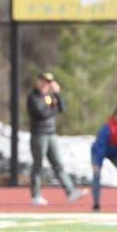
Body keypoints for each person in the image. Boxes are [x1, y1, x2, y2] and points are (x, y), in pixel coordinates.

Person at [26, 71, 85, 206]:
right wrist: (53, 106)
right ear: (38, 81)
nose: (45, 84)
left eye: (48, 82)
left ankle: (70, 191)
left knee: (58, 164)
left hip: (51, 134)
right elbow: (42, 114)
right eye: (43, 81)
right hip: (39, 135)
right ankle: (35, 195)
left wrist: (57, 94)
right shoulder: (33, 97)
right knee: (38, 165)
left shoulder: (49, 96)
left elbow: (62, 108)